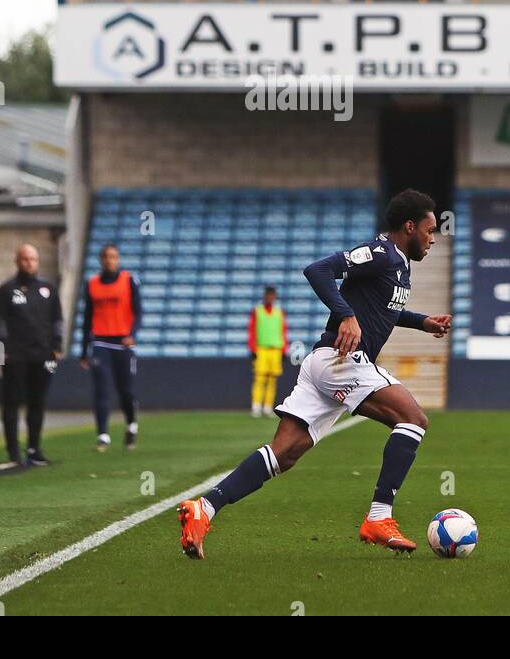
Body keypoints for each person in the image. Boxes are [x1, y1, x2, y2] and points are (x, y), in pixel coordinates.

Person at [177, 189, 451, 560]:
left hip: (326, 365)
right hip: (342, 361)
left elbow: (387, 310)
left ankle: (204, 510)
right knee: (413, 420)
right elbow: (318, 269)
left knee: (284, 454)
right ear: (409, 226)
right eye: (429, 229)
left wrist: (423, 323)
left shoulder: (399, 264)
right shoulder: (381, 253)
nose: (433, 237)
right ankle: (379, 515)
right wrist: (346, 315)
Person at [0, 244, 63, 467]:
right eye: (25, 259)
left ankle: (34, 448)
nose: (29, 263)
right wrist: (4, 347)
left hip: (43, 355)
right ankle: (13, 451)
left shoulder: (48, 289)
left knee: (37, 402)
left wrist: (57, 345)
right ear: (17, 261)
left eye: (33, 259)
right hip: (15, 356)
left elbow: (57, 320)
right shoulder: (5, 290)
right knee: (12, 402)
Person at [79, 244, 141, 452]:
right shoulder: (92, 284)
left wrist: (132, 334)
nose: (109, 260)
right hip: (100, 343)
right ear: (101, 260)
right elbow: (87, 319)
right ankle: (103, 434)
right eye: (106, 257)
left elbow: (138, 311)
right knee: (102, 389)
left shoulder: (129, 280)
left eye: (113, 256)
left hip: (122, 343)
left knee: (126, 391)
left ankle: (131, 424)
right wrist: (83, 350)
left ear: (118, 259)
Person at [247, 285, 288, 418]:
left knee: (272, 380)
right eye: (268, 295)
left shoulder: (278, 312)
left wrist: (284, 349)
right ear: (265, 296)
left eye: (272, 295)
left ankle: (267, 407)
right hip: (261, 348)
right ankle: (256, 406)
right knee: (259, 378)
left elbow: (283, 331)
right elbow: (252, 330)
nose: (270, 297)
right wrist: (252, 348)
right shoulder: (257, 311)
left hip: (275, 349)